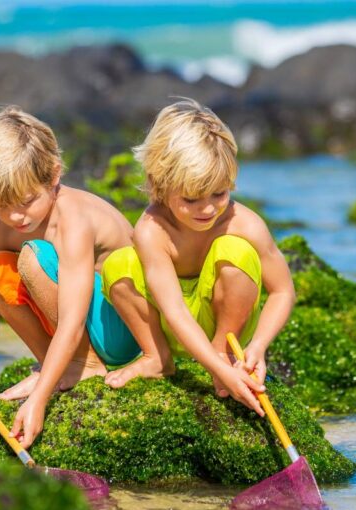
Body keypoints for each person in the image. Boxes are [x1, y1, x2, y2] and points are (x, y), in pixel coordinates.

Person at [101, 98, 296, 415]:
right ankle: (157, 358)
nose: (207, 209)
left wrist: (258, 346)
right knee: (118, 264)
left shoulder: (243, 223)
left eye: (219, 194)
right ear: (159, 187)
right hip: (172, 324)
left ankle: (222, 352)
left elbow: (283, 290)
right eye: (191, 199)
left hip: (228, 326)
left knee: (235, 250)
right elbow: (175, 311)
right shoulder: (153, 231)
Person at [0, 106, 141, 448]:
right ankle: (57, 363)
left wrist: (39, 400)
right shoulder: (4, 228)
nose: (14, 215)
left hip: (122, 327)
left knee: (32, 259)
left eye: (26, 201)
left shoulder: (72, 220)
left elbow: (73, 320)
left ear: (53, 175)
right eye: (1, 205)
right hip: (83, 325)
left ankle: (83, 366)